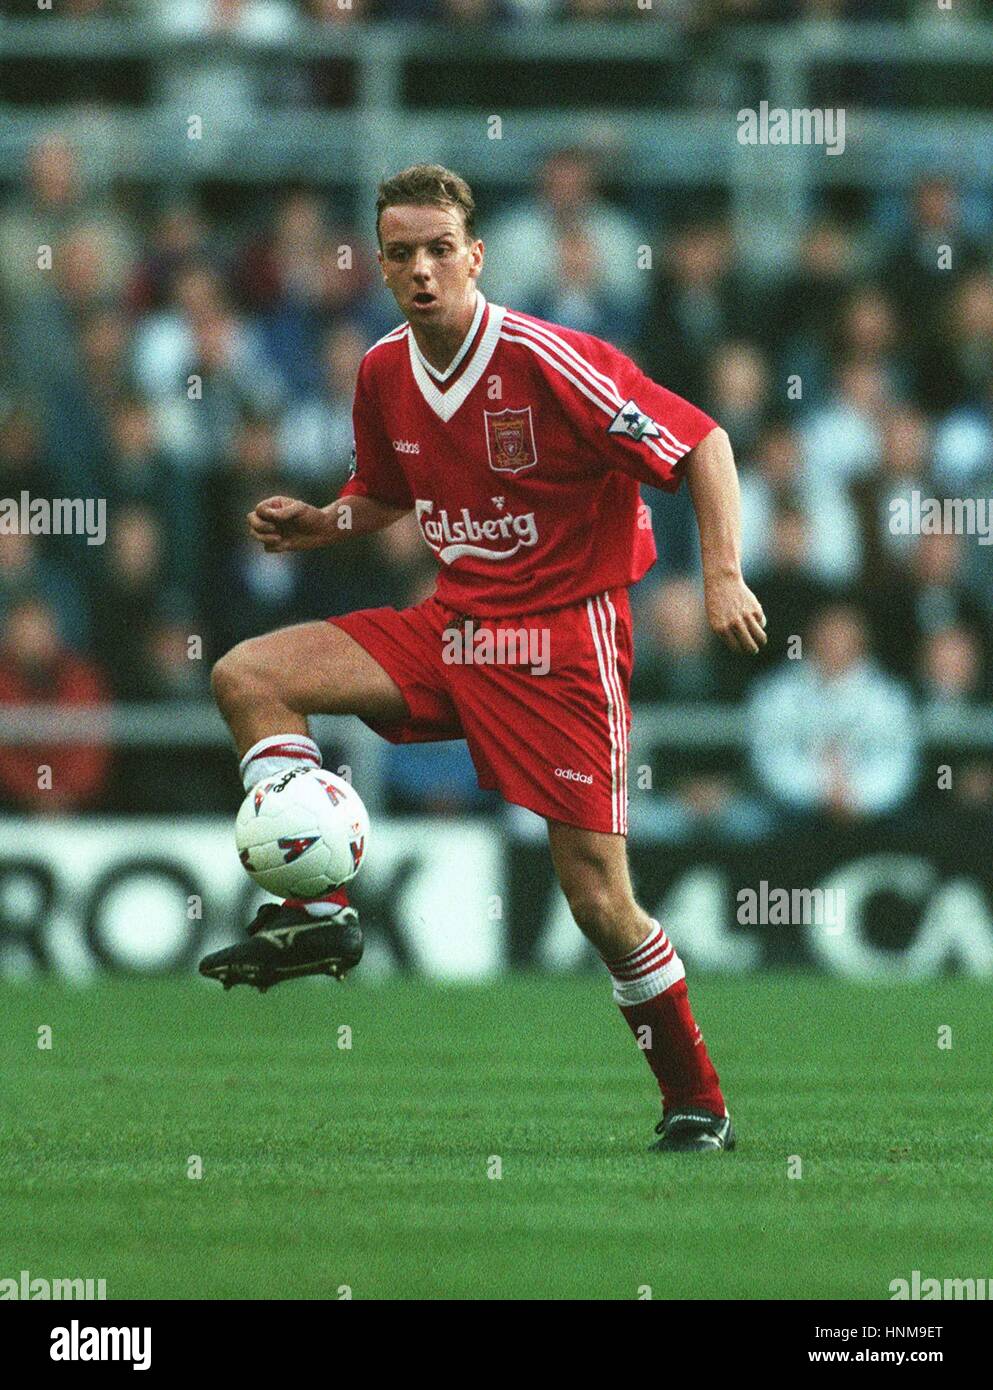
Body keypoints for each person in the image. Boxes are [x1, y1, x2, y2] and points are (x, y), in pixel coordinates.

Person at [199, 164, 767, 1155]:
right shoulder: (382, 370)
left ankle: (697, 1101)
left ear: (475, 256)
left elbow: (704, 443)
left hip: (561, 638)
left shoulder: (551, 361)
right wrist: (325, 521)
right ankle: (318, 905)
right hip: (455, 624)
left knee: (598, 901)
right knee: (249, 673)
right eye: (401, 254)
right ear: (380, 266)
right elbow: (385, 492)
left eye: (437, 250)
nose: (422, 270)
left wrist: (721, 574)